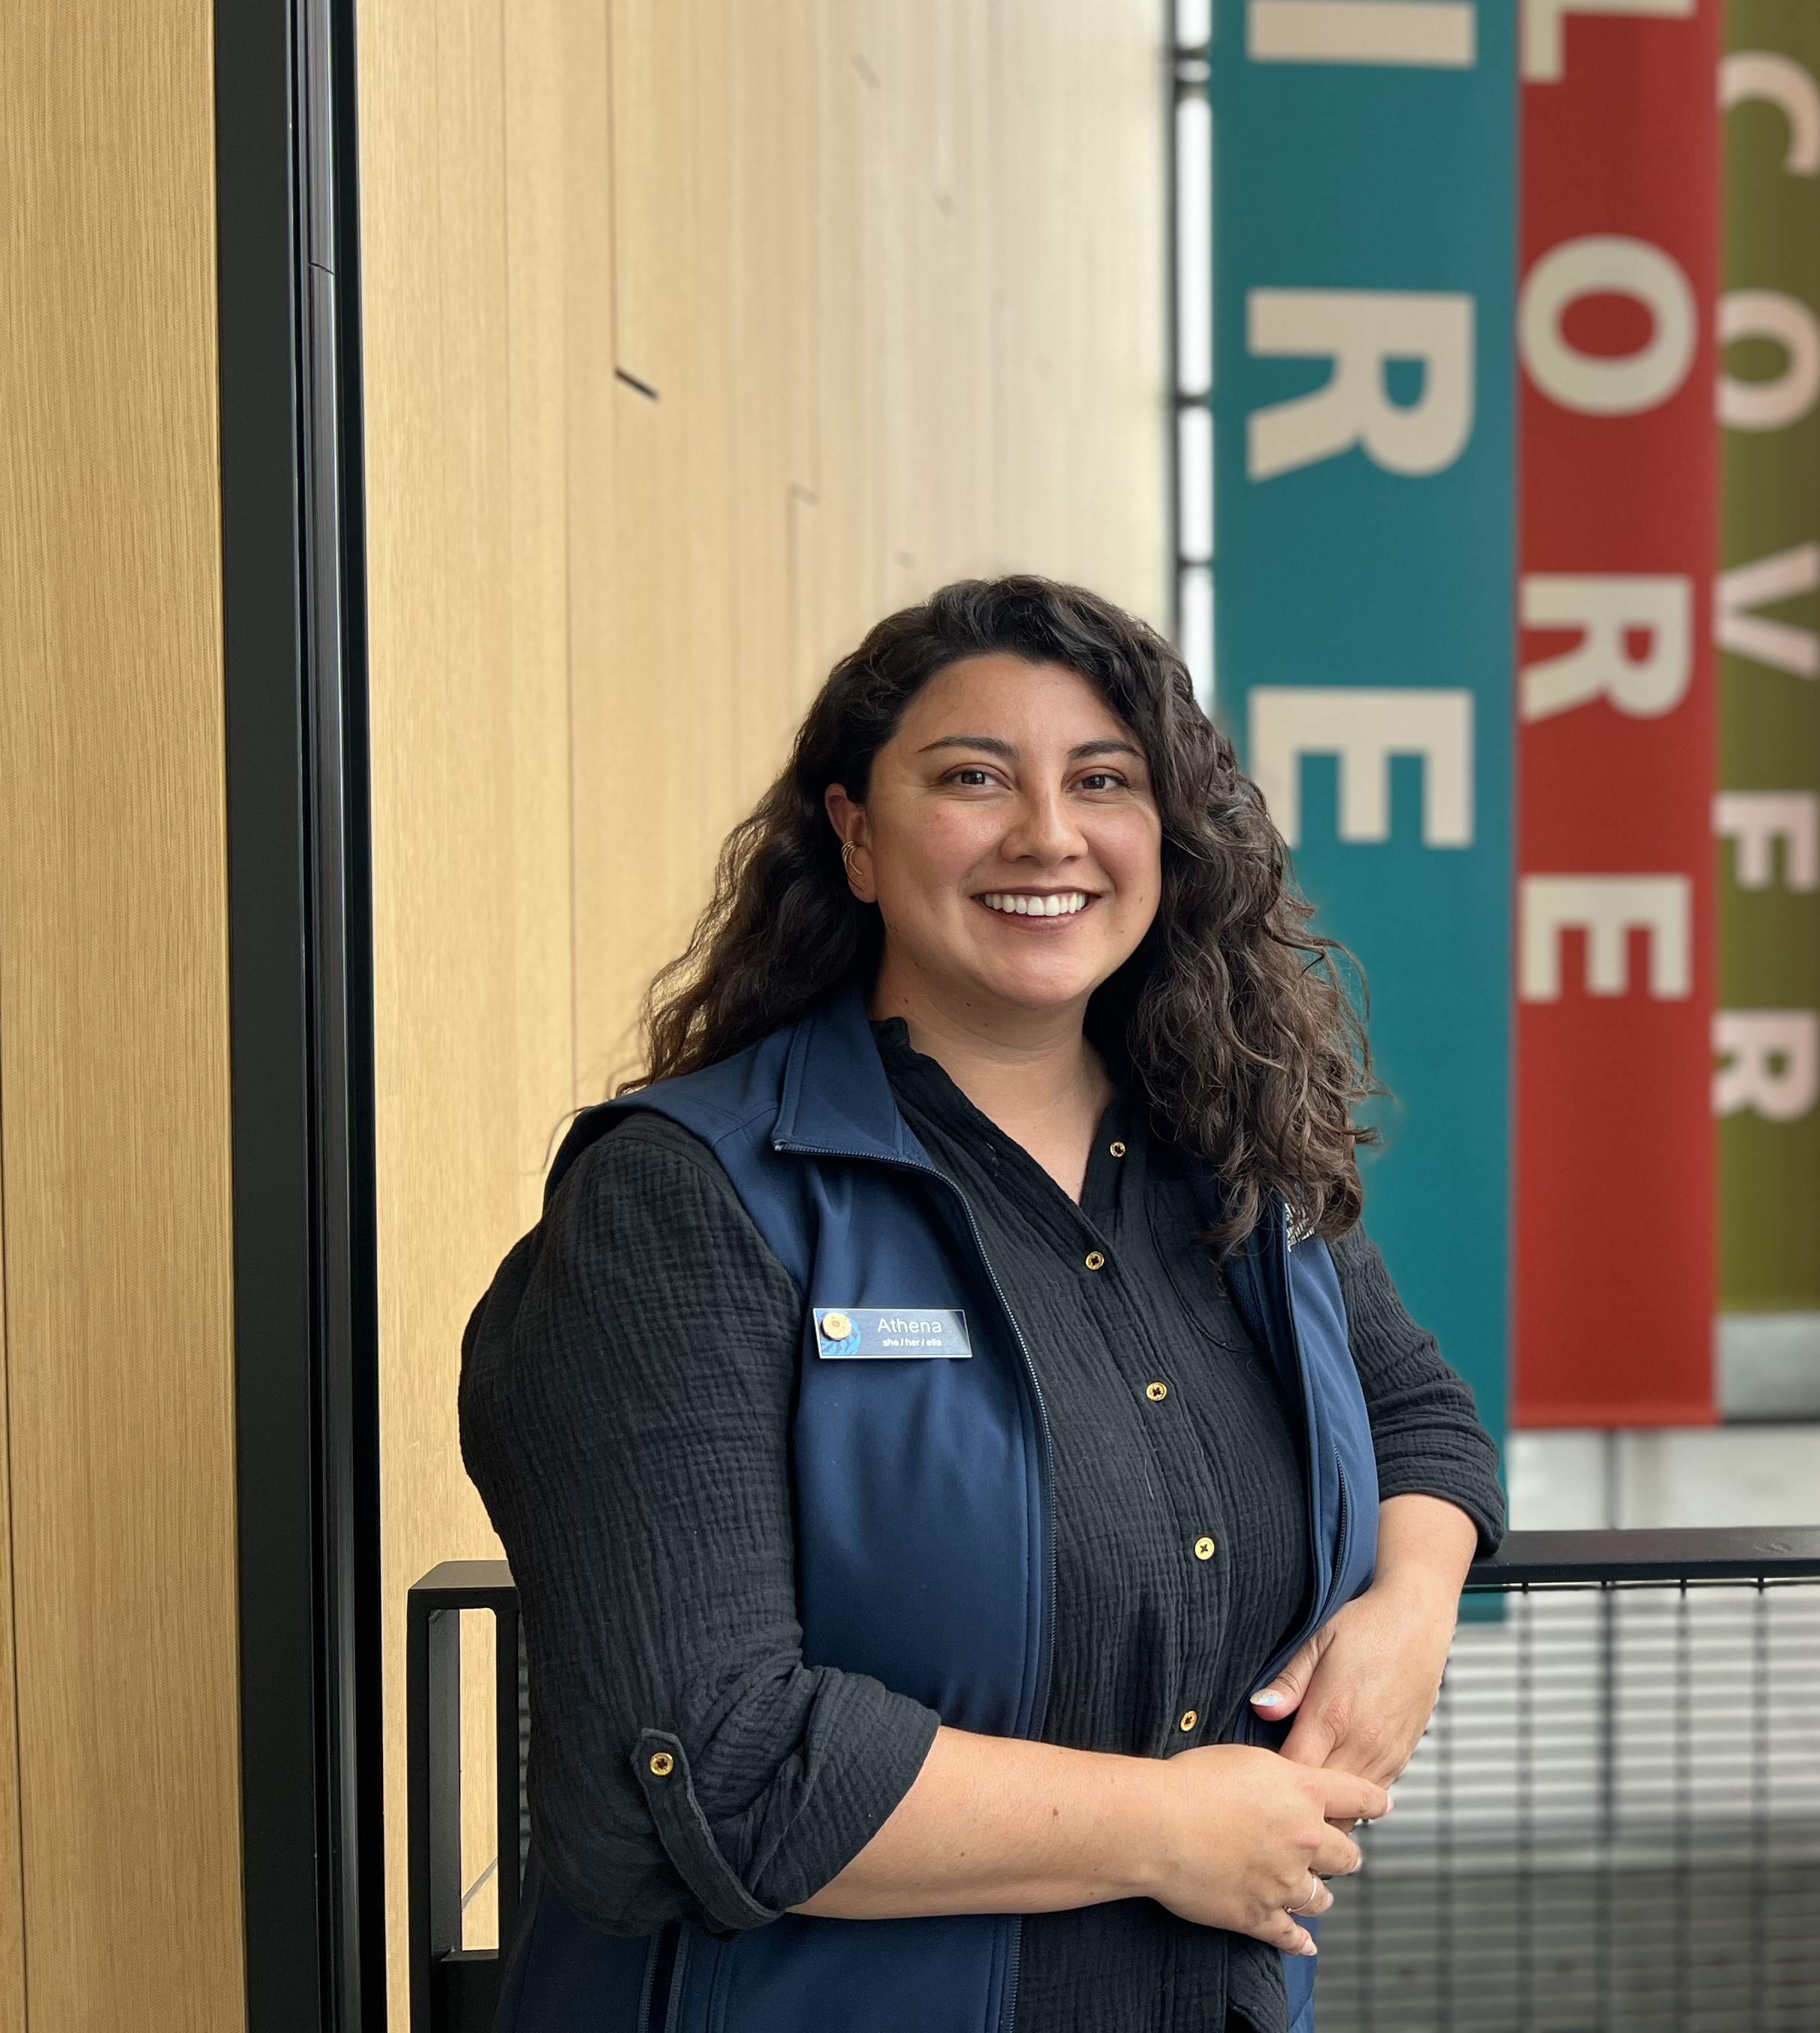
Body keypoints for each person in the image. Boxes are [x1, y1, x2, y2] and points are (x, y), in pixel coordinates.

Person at [462, 577, 1504, 2031]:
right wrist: (1169, 1828)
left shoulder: (1233, 1158)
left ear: (1168, 836)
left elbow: (1415, 1410)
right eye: (973, 778)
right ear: (855, 834)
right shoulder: (684, 1202)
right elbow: (708, 1757)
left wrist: (1411, 1610)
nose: (1048, 835)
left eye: (1104, 780)